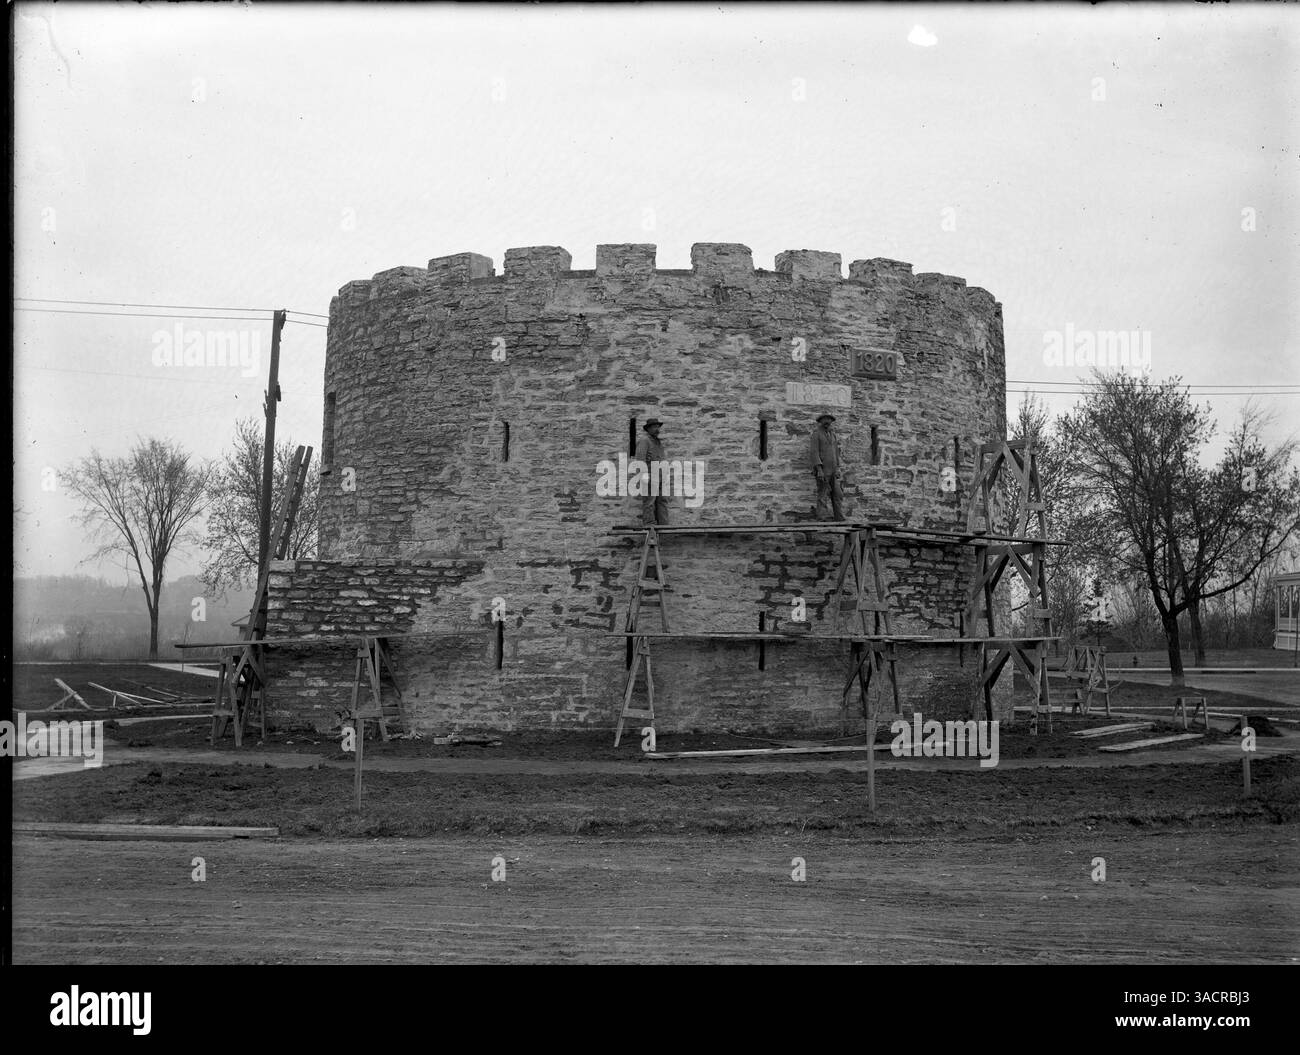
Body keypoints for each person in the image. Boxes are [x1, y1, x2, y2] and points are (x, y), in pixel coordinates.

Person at [809, 412, 845, 521]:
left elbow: (836, 452)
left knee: (838, 494)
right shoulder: (816, 434)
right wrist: (819, 469)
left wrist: (838, 468)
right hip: (823, 471)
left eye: (829, 420)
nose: (827, 422)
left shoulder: (833, 434)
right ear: (820, 422)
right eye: (824, 420)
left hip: (833, 470)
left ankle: (839, 517)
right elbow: (814, 452)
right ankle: (821, 518)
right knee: (823, 495)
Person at [635, 418, 669, 526]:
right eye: (654, 427)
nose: (657, 429)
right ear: (648, 429)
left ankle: (664, 526)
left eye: (658, 427)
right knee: (649, 502)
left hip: (660, 476)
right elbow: (640, 459)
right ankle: (650, 526)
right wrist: (643, 474)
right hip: (650, 476)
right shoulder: (645, 441)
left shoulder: (657, 442)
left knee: (662, 501)